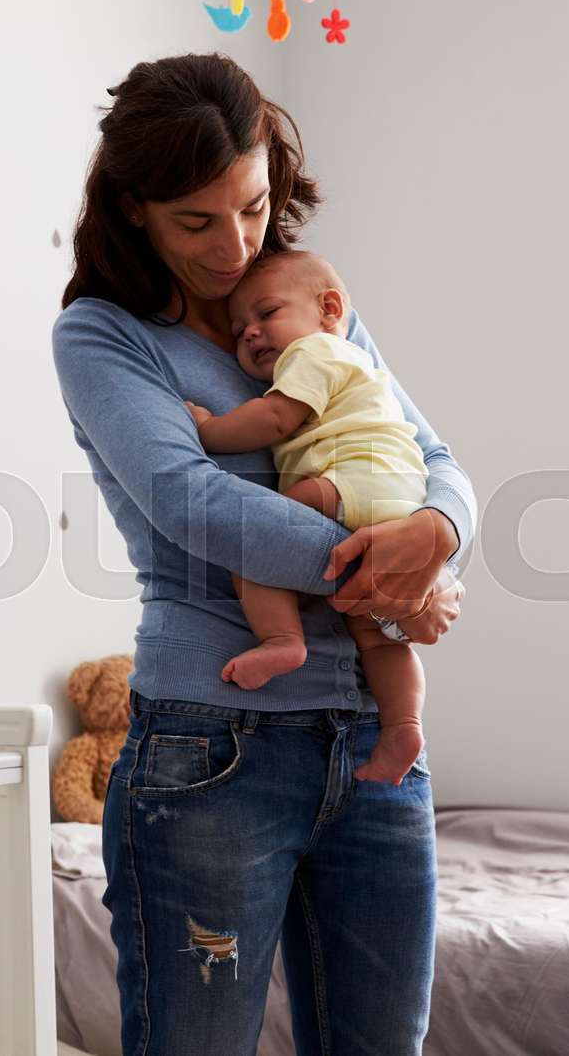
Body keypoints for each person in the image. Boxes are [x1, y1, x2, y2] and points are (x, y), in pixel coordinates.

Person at [51, 52, 476, 1056]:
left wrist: (439, 534)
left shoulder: (313, 307)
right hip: (214, 749)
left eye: (249, 207)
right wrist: (381, 571)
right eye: (195, 221)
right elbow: (190, 502)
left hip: (373, 741)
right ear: (136, 211)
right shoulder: (103, 336)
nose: (233, 246)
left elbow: (431, 456)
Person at [182, 249, 428, 787]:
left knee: (253, 543)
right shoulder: (357, 364)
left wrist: (210, 429)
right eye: (238, 329)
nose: (249, 333)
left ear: (328, 309)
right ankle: (403, 725)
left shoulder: (314, 352)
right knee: (376, 632)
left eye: (266, 313)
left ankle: (281, 640)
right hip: (398, 498)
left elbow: (273, 419)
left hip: (349, 479)